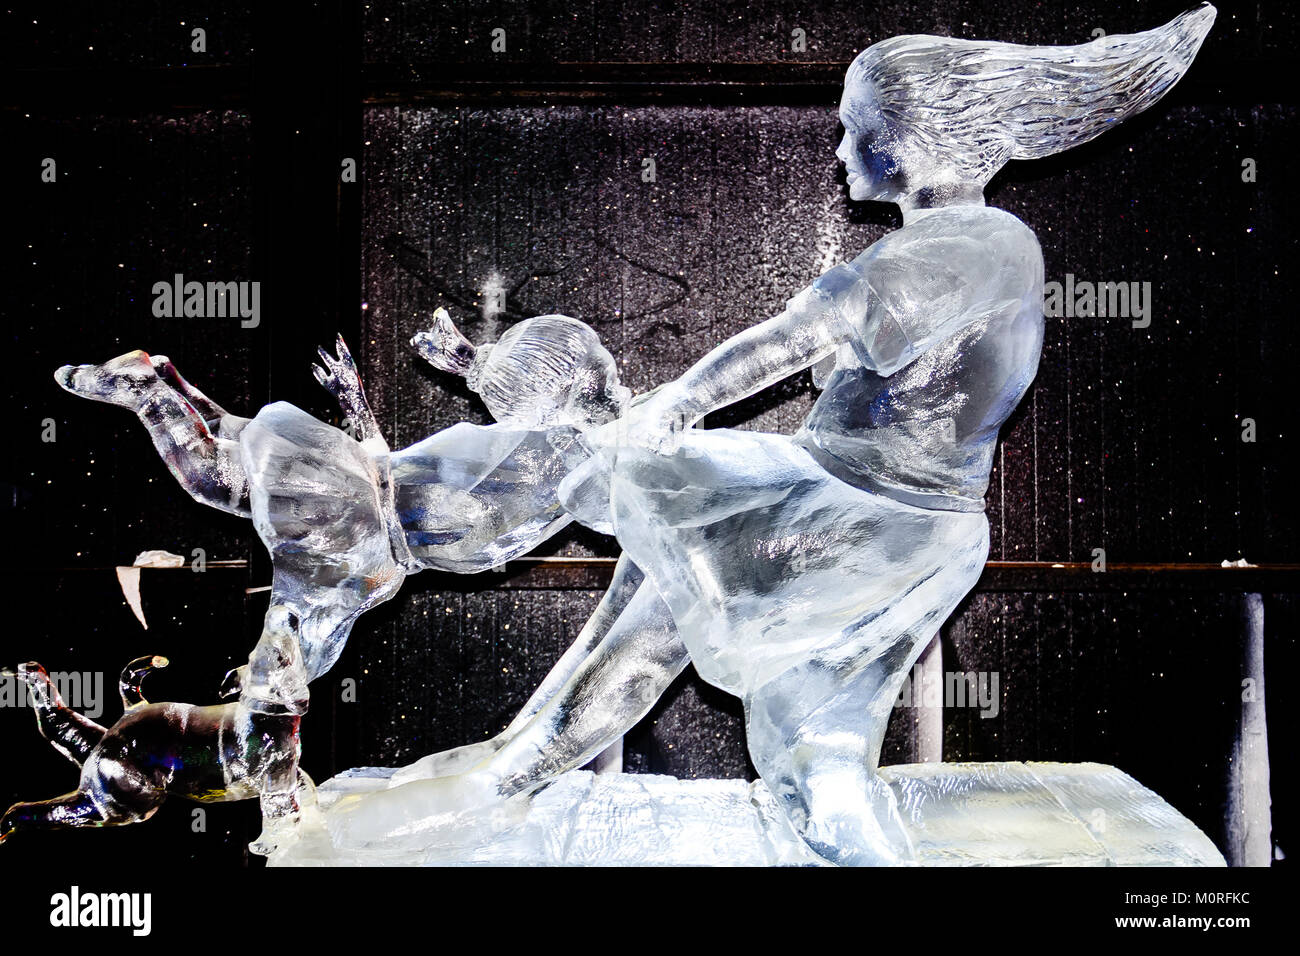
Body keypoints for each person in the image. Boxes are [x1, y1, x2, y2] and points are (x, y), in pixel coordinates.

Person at [356, 6, 1216, 865]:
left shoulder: (964, 248)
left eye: (854, 132)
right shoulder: (985, 248)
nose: (842, 153)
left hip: (860, 510)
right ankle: (513, 774)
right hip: (898, 527)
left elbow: (790, 337)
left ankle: (398, 546)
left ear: (908, 140)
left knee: (628, 487)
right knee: (790, 737)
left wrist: (681, 403)